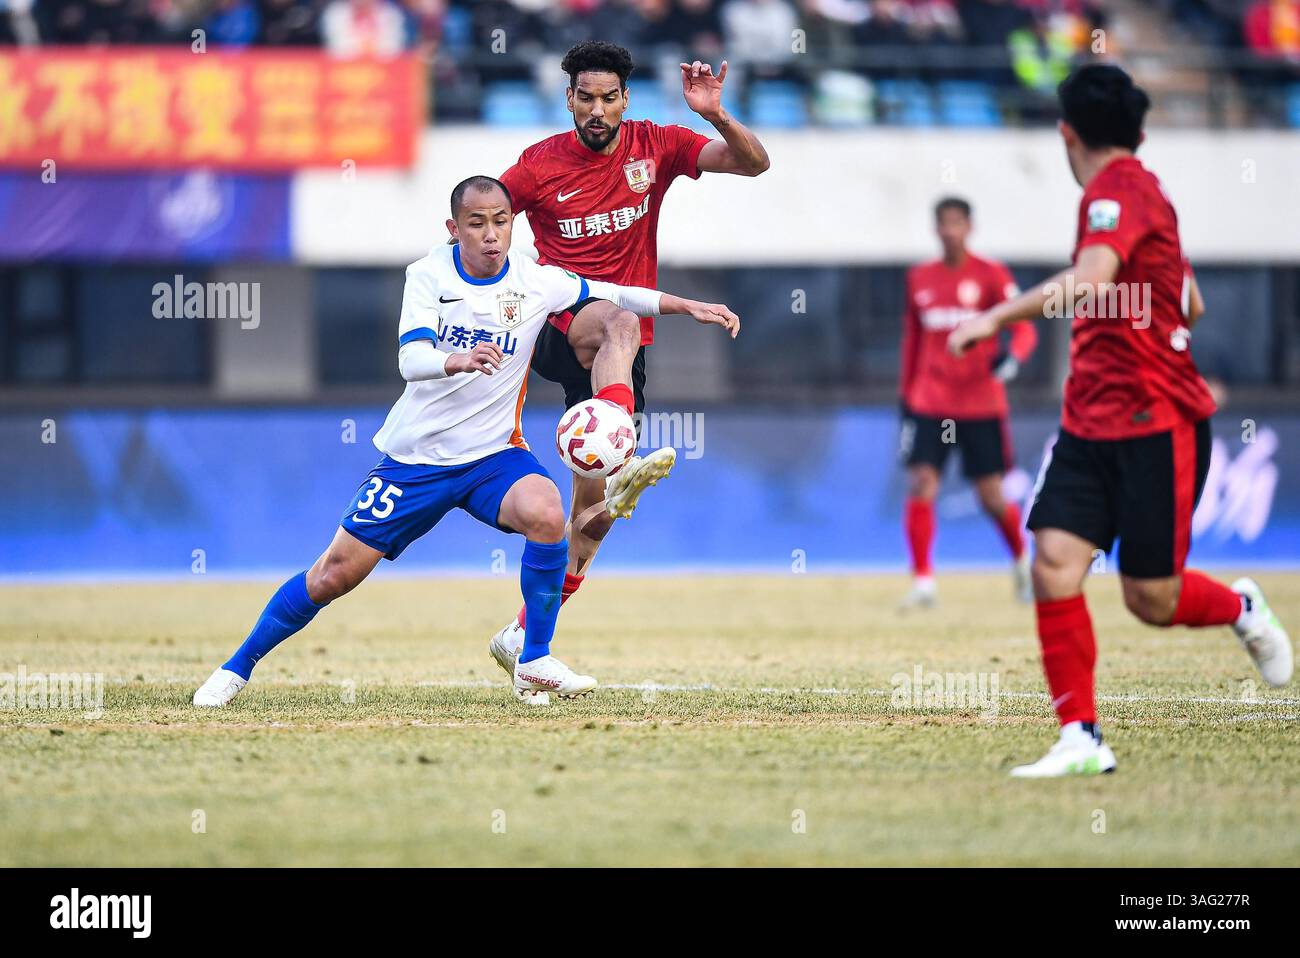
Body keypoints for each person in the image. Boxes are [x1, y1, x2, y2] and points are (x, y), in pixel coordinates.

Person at [193, 175, 739, 709]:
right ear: (454, 228)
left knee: (548, 513)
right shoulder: (428, 276)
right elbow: (410, 358)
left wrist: (683, 305)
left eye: (501, 222)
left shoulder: (534, 280)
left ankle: (534, 659)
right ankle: (235, 668)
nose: (491, 234)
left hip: (493, 457)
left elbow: (614, 293)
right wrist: (457, 358)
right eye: (476, 224)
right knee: (333, 574)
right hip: (418, 461)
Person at [948, 64, 1293, 777]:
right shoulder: (1148, 197)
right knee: (1053, 564)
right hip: (1089, 421)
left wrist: (994, 316)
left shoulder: (1117, 192)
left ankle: (1240, 606)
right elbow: (1188, 300)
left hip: (1156, 424)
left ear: (1065, 134)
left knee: (1152, 598)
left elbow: (1091, 281)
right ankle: (1081, 737)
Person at [489, 39, 768, 674]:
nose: (596, 109)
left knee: (592, 517)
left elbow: (755, 165)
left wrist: (717, 115)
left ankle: (525, 635)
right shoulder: (537, 166)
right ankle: (618, 438)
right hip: (564, 330)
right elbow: (488, 218)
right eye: (584, 98)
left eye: (607, 99)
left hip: (620, 356)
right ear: (568, 100)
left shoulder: (657, 145)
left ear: (625, 101)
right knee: (619, 316)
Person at [898, 196, 1038, 609]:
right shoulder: (920, 278)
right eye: (943, 223)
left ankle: (1020, 565)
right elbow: (913, 340)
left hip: (980, 403)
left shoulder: (991, 275)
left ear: (969, 227)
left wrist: (1013, 359)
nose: (950, 230)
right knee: (923, 483)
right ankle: (924, 581)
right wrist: (906, 396)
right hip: (929, 400)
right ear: (935, 228)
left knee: (991, 496)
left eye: (957, 222)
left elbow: (1024, 326)